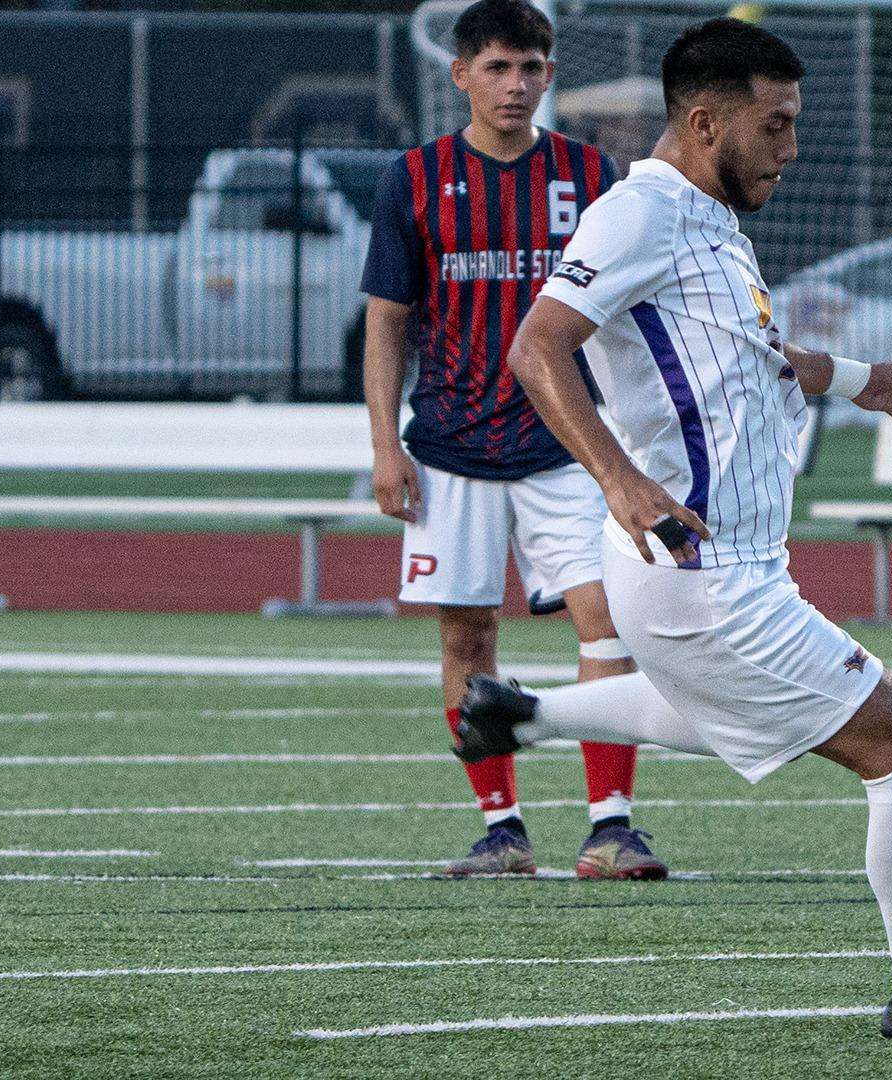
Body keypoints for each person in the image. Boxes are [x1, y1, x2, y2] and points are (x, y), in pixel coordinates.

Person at [456, 18, 892, 1043]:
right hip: (698, 569)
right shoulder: (636, 215)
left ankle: (526, 716)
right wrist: (619, 481)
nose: (790, 148)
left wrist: (866, 380)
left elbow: (761, 357)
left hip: (709, 571)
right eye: (774, 126)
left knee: (751, 716)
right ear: (705, 123)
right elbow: (535, 347)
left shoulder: (710, 218)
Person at [360, 0, 665, 880]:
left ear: (549, 73)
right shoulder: (412, 178)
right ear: (460, 74)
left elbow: (624, 313)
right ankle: (502, 830)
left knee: (604, 620)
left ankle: (612, 826)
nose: (515, 83)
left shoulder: (593, 173)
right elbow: (387, 326)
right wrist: (386, 446)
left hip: (563, 443)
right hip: (449, 447)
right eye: (496, 66)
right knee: (465, 639)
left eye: (531, 66)